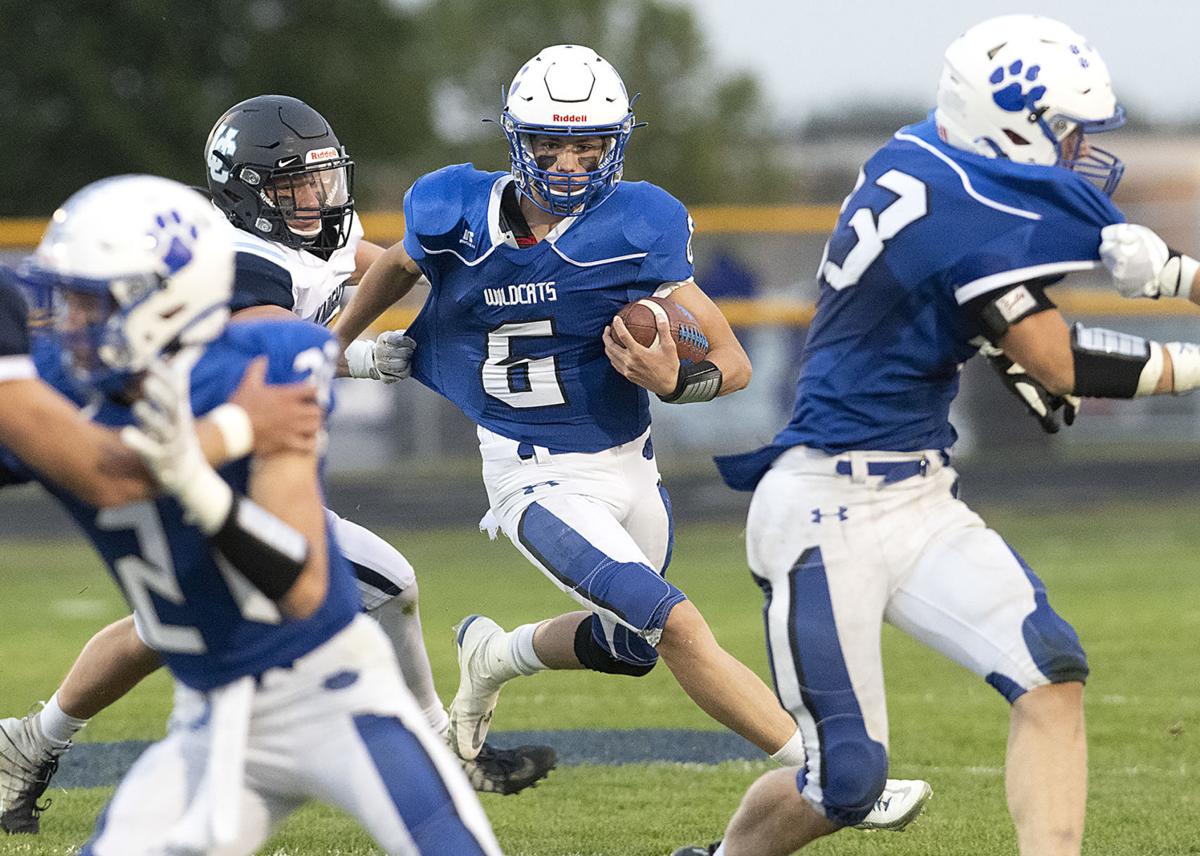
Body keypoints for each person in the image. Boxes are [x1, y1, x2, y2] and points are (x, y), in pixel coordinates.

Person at [334, 44, 930, 830]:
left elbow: (733, 362)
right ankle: (836, 779)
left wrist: (671, 381)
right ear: (518, 140)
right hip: (531, 474)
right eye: (553, 142)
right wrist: (336, 342)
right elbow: (400, 266)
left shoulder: (637, 224)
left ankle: (491, 657)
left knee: (632, 644)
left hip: (626, 465)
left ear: (617, 144)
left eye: (590, 143)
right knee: (676, 623)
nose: (572, 161)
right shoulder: (450, 207)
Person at [674, 15, 1200, 856]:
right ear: (1011, 124)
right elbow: (1053, 360)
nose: (1078, 150)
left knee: (1049, 673)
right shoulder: (963, 210)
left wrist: (1174, 272)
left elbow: (1023, 236)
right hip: (822, 510)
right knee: (846, 782)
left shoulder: (927, 149)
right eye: (1064, 131)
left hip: (919, 495)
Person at [0, 96, 553, 835]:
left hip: (240, 493)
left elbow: (383, 267)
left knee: (176, 618)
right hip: (215, 477)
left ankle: (30, 741)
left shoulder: (300, 244)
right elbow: (265, 366)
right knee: (358, 588)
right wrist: (340, 362)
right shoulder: (240, 271)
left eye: (321, 179)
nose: (316, 199)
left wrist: (500, 280)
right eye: (294, 185)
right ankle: (441, 745)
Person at [0, 270, 322, 834]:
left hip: (233, 484)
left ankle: (32, 740)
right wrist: (237, 424)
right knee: (383, 584)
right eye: (74, 303)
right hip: (210, 481)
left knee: (184, 606)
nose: (75, 322)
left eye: (89, 301)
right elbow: (109, 477)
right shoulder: (58, 369)